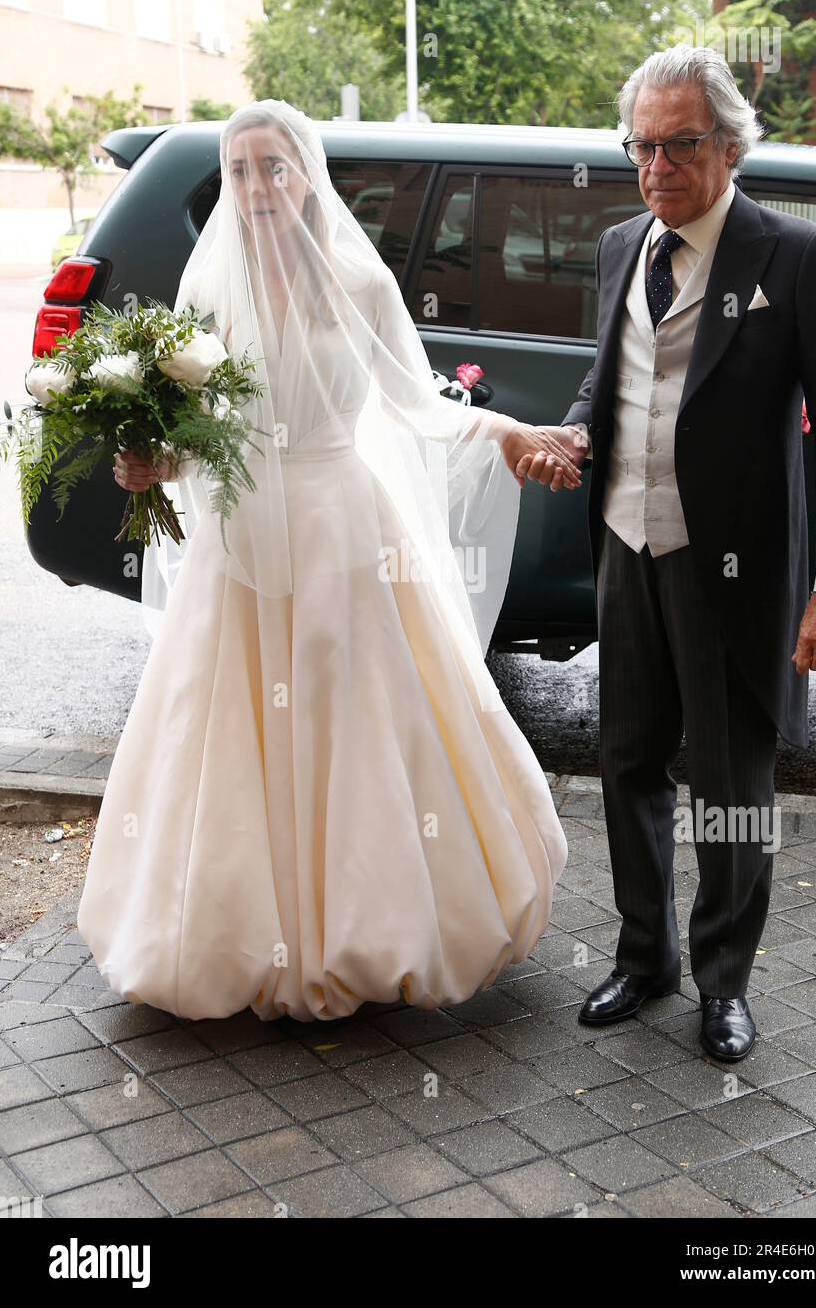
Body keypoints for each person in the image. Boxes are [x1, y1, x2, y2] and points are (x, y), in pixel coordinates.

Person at [77, 99, 576, 1023]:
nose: (259, 186)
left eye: (276, 167)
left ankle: (371, 930)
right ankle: (225, 936)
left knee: (358, 718)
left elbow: (414, 400)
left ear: (308, 175)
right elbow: (187, 435)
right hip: (239, 543)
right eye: (240, 171)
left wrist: (504, 430)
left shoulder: (360, 283)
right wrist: (147, 462)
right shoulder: (207, 293)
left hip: (345, 528)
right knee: (224, 727)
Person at [525, 45, 816, 1061]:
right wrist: (574, 432)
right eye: (640, 144)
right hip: (626, 548)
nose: (654, 165)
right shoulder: (622, 242)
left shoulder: (794, 257)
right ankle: (644, 958)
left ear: (727, 144)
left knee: (729, 778)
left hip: (736, 568)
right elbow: (610, 378)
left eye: (678, 144)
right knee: (625, 759)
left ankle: (722, 980)